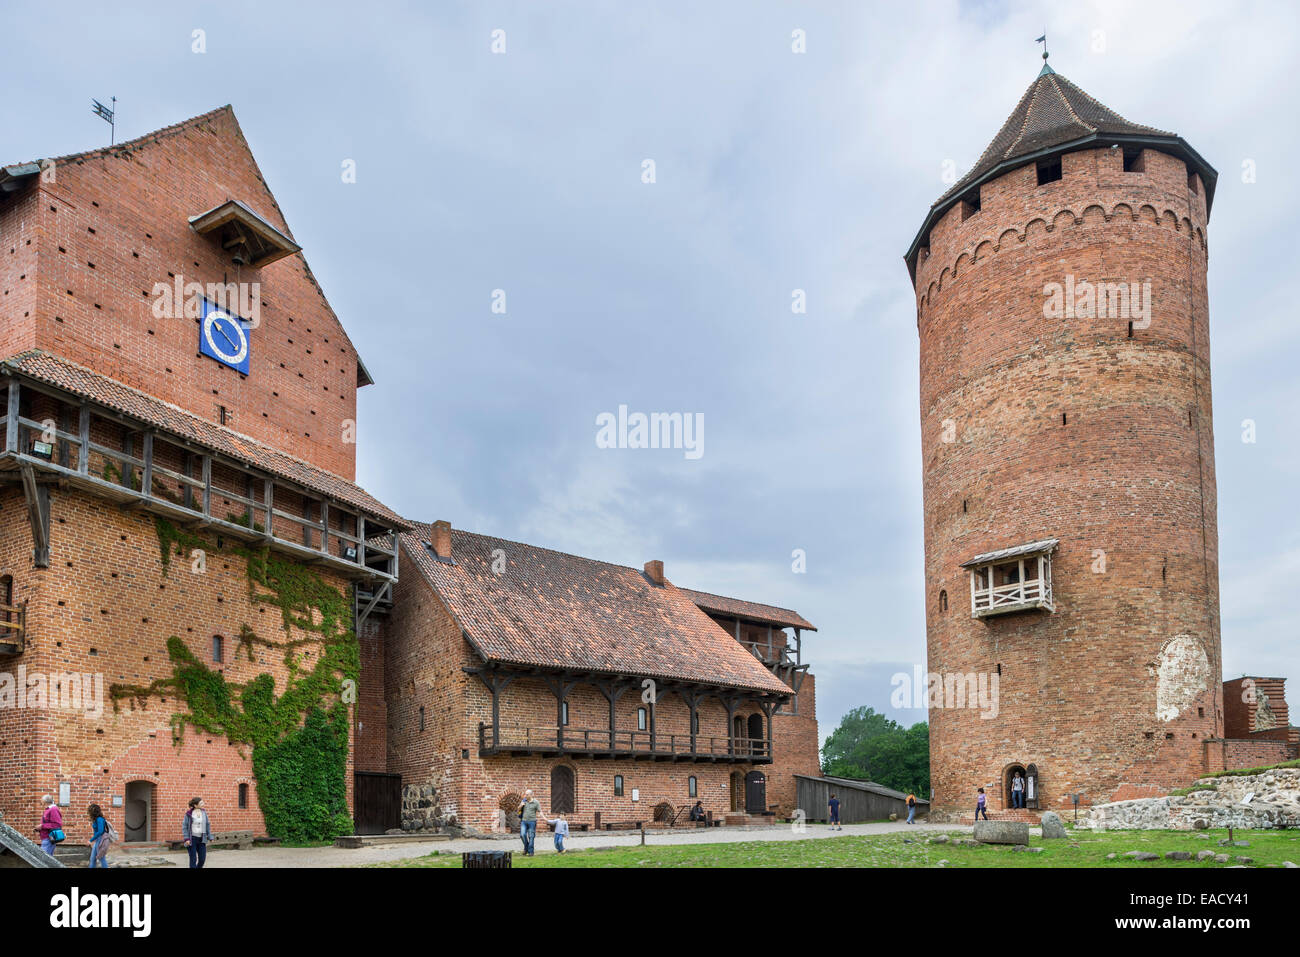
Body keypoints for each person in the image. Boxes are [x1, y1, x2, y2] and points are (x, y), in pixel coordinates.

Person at [183, 797, 213, 869]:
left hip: (202, 839)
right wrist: (186, 838)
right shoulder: (188, 814)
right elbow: (184, 827)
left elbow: (207, 824)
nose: (203, 804)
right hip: (192, 839)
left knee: (202, 859)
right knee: (193, 859)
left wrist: (210, 836)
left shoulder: (204, 813)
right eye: (201, 803)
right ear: (195, 805)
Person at [518, 790, 541, 856]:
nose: (525, 796)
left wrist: (545, 818)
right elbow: (518, 810)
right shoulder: (523, 801)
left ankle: (530, 852)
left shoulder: (536, 802)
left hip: (532, 822)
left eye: (527, 794)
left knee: (531, 836)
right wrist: (521, 805)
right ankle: (527, 848)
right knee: (522, 835)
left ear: (531, 795)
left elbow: (540, 811)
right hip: (524, 821)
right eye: (525, 794)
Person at [87, 804, 110, 868]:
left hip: (101, 840)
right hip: (98, 840)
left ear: (93, 812)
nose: (89, 813)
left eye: (90, 811)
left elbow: (100, 831)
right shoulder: (97, 819)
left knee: (101, 858)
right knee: (93, 859)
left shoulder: (99, 819)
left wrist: (90, 840)